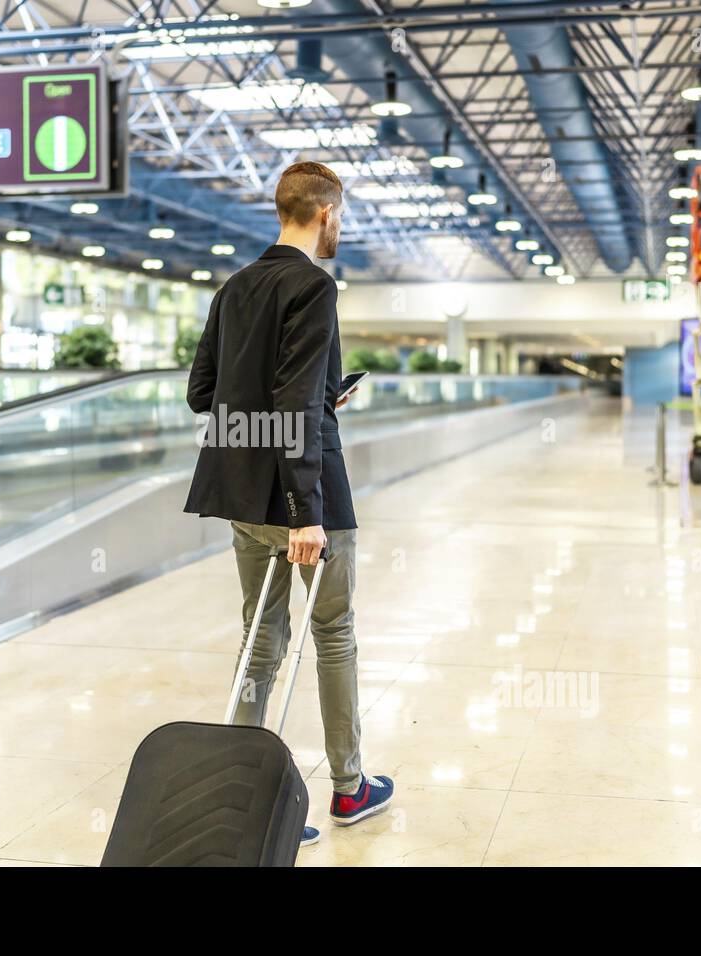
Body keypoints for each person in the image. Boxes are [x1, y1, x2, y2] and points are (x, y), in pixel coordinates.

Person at [183, 161, 394, 847]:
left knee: (259, 639)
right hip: (309, 498)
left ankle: (242, 794)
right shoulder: (314, 286)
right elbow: (296, 401)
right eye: (342, 216)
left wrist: (317, 398)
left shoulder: (234, 287)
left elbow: (203, 393)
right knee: (332, 633)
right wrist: (306, 512)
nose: (341, 226)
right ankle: (350, 786)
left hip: (242, 494)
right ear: (326, 213)